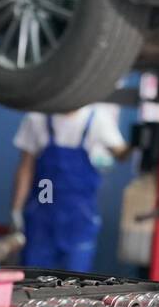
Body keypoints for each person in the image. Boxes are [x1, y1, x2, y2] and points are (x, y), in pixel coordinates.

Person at [10, 103, 131, 272]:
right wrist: (16, 209)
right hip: (43, 211)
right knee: (34, 276)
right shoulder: (36, 118)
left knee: (75, 279)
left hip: (79, 218)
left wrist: (137, 143)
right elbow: (25, 168)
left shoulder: (98, 119)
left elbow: (121, 154)